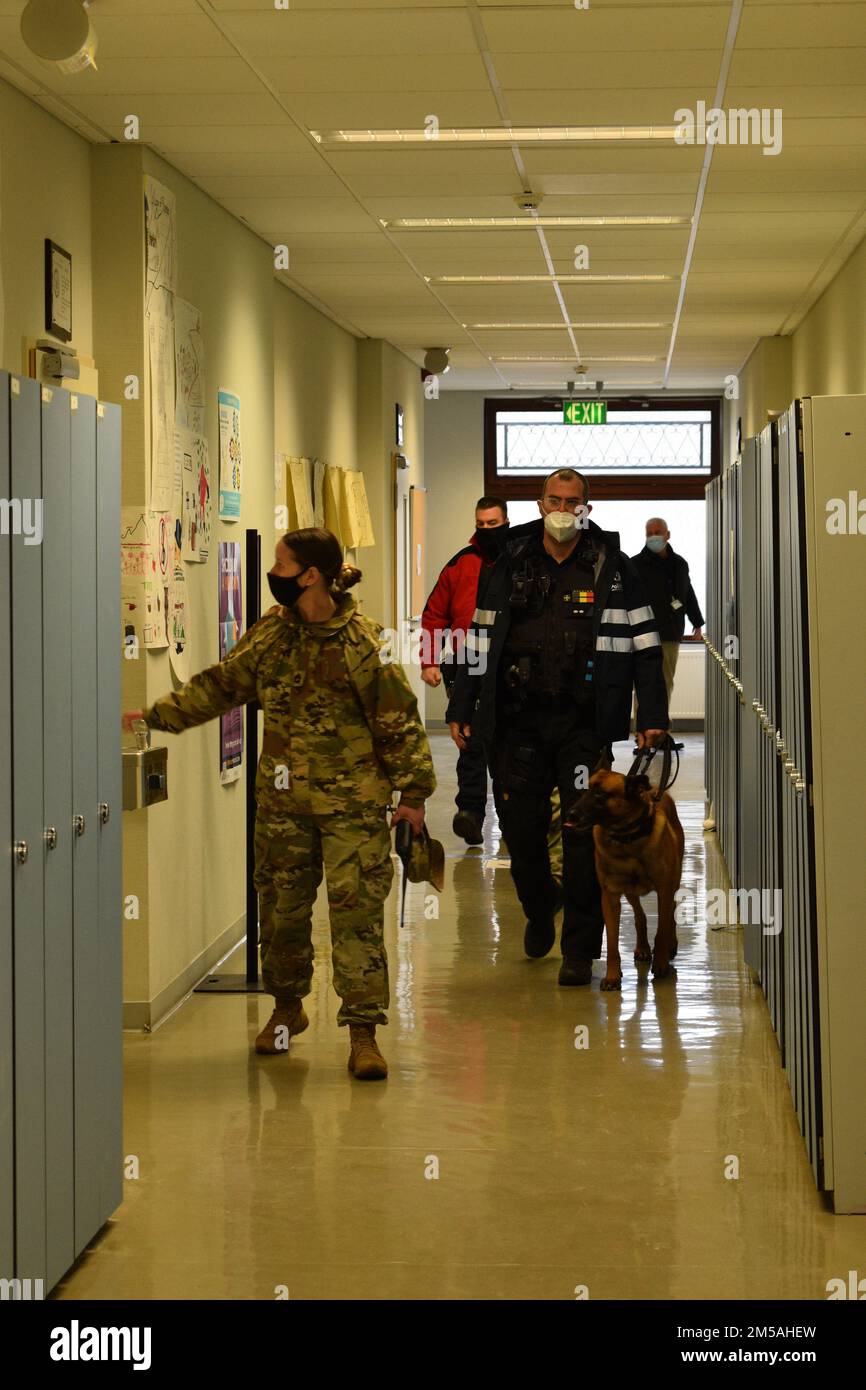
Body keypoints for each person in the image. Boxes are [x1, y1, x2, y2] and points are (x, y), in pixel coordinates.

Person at [123, 527, 435, 1080]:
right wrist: (156, 715)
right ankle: (287, 1012)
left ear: (309, 574)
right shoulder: (272, 634)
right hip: (284, 803)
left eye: (281, 564)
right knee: (281, 914)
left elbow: (399, 722)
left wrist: (412, 797)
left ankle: (363, 1032)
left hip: (353, 805)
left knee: (356, 917)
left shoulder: (367, 641)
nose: (274, 574)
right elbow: (222, 686)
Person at [446, 468, 669, 987]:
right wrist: (463, 705)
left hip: (582, 724)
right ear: (540, 502)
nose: (564, 509)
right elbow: (478, 639)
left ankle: (579, 949)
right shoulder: (510, 559)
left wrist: (652, 717)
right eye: (555, 499)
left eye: (573, 500)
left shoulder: (611, 567)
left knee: (580, 832)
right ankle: (540, 905)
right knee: (521, 837)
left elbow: (644, 644)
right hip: (518, 724)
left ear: (587, 505)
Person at [421, 496, 509, 844]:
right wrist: (429, 659)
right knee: (467, 740)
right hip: (464, 663)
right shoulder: (460, 564)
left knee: (503, 744)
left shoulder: (519, 560)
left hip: (503, 664)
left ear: (506, 521)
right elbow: (434, 615)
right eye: (481, 525)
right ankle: (470, 812)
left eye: (493, 524)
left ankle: (509, 815)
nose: (487, 531)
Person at [631, 519, 704, 708]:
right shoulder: (635, 565)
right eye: (649, 533)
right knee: (644, 685)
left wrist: (697, 623)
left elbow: (688, 594)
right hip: (642, 635)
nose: (653, 537)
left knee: (665, 683)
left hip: (670, 633)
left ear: (667, 535)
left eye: (658, 532)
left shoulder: (680, 564)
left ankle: (662, 730)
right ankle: (643, 732)